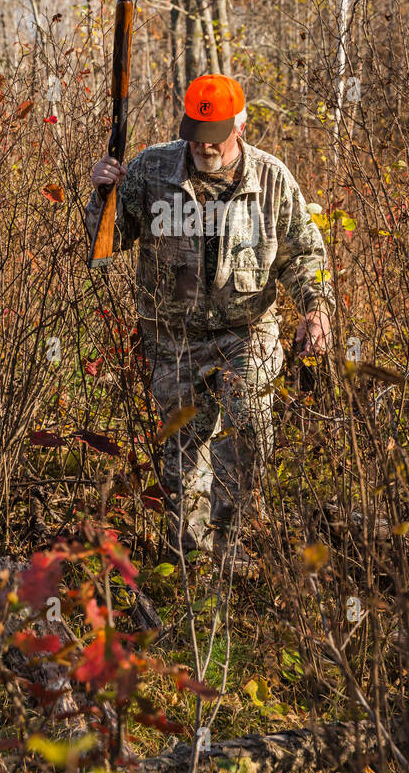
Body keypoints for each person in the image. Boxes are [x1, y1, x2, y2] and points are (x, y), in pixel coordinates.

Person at [86, 74, 334, 569]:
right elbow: (104, 247)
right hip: (173, 338)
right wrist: (102, 195)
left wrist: (316, 308)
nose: (205, 147)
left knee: (251, 433)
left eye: (216, 135)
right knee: (183, 455)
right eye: (197, 135)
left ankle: (227, 539)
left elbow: (304, 254)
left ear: (240, 126)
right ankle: (193, 563)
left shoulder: (270, 180)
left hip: (247, 329)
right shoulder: (152, 170)